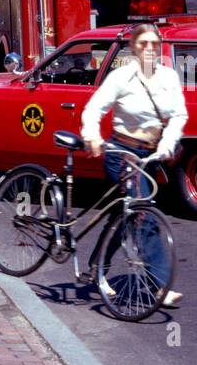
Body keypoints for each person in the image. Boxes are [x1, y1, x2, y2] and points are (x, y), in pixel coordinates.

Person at [80, 22, 187, 308]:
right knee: (143, 216)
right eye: (144, 44)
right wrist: (92, 136)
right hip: (122, 154)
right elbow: (94, 108)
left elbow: (178, 115)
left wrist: (166, 144)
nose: (150, 49)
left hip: (150, 156)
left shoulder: (169, 77)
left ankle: (96, 267)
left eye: (154, 44)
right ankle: (160, 286)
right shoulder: (121, 77)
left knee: (123, 214)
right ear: (134, 47)